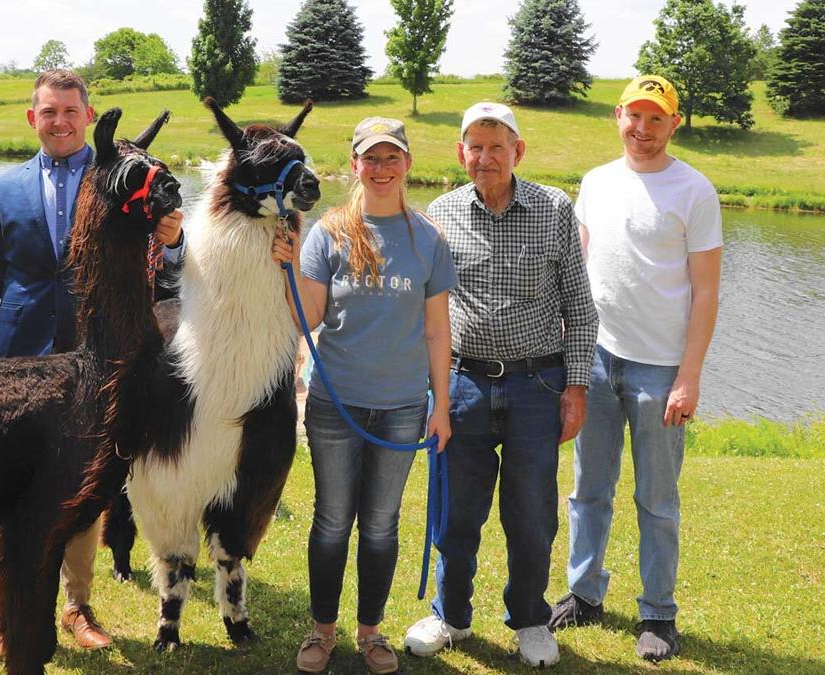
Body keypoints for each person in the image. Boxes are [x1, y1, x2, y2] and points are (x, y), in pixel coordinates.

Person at [0, 69, 184, 664]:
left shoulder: (117, 176)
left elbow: (165, 261)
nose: (59, 120)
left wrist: (171, 237)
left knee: (86, 485)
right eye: (48, 111)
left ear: (88, 116)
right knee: (8, 487)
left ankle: (77, 605)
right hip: (19, 358)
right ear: (31, 118)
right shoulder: (1, 188)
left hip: (96, 361)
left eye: (69, 110)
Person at [403, 102, 597, 668]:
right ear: (461, 153)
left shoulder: (554, 209)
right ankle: (451, 615)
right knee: (456, 511)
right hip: (462, 384)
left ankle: (530, 619)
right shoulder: (440, 212)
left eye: (496, 146)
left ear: (518, 152)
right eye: (475, 147)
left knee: (531, 513)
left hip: (538, 383)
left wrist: (577, 388)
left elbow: (581, 312)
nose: (485, 157)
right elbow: (425, 313)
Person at [548, 75, 722, 662]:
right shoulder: (595, 183)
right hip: (595, 359)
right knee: (587, 490)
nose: (643, 130)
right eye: (634, 117)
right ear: (617, 115)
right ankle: (584, 593)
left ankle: (658, 614)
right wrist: (569, 354)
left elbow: (706, 292)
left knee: (657, 500)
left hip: (660, 369)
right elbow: (578, 272)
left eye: (657, 119)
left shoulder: (695, 190)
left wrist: (689, 376)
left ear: (675, 124)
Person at [274, 117, 456, 675]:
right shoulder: (328, 233)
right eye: (370, 159)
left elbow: (436, 330)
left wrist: (441, 406)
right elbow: (306, 318)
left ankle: (371, 633)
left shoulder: (427, 239)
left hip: (403, 408)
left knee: (380, 523)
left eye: (391, 157)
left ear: (407, 164)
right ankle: (322, 631)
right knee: (332, 520)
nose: (381, 169)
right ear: (354, 165)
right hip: (335, 404)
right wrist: (288, 267)